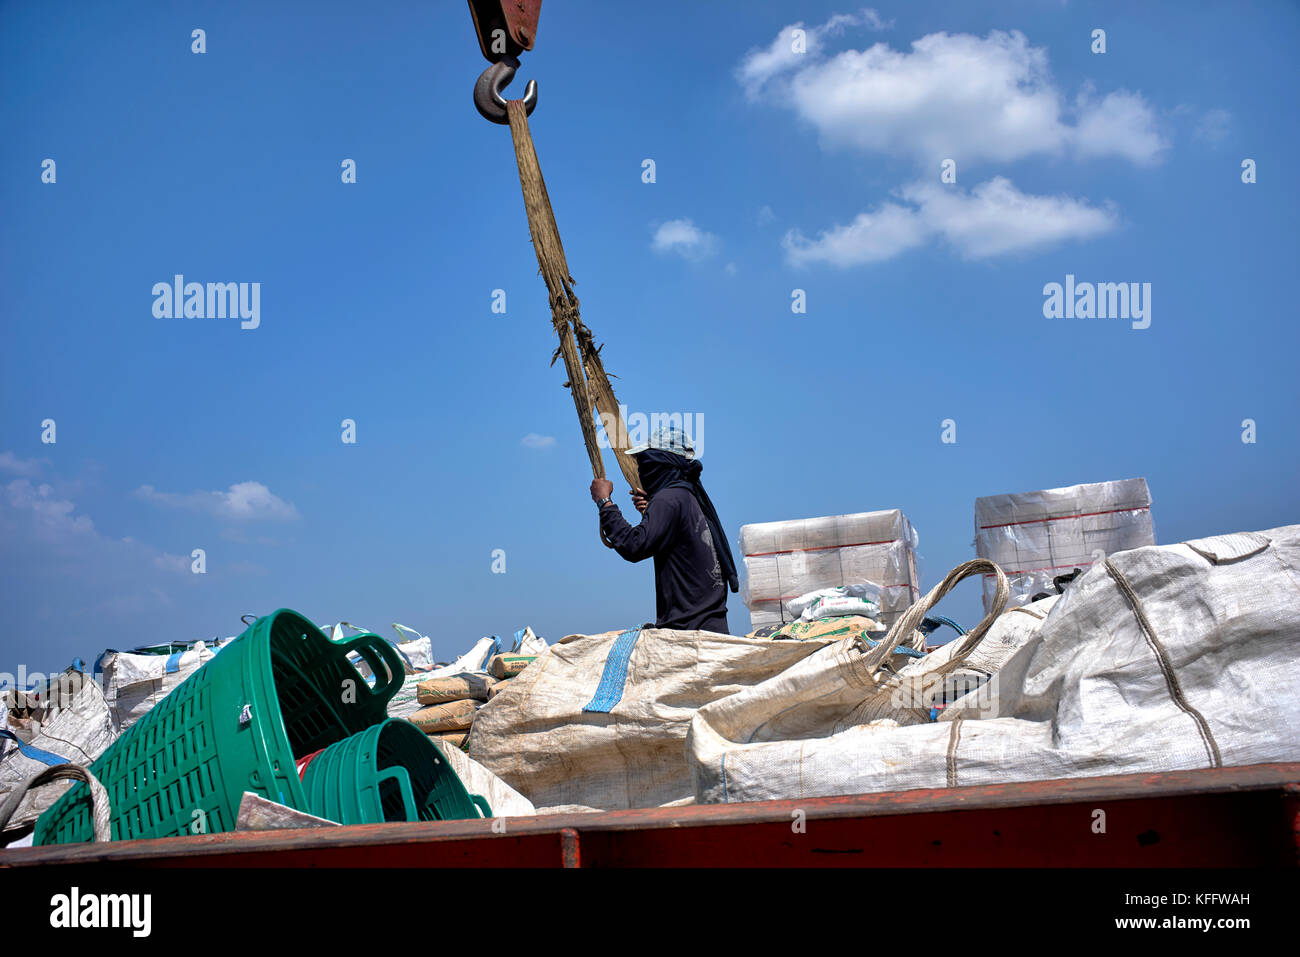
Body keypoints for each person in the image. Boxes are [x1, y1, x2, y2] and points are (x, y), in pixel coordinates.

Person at [588, 426, 739, 634]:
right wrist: (653, 509)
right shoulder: (688, 497)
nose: (641, 469)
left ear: (658, 463)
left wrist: (604, 502)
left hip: (690, 634)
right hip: (710, 629)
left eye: (644, 462)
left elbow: (634, 545)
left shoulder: (669, 500)